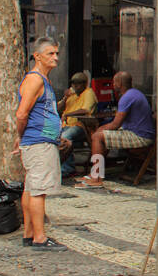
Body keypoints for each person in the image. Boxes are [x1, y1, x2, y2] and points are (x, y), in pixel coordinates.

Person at [13, 38, 66, 251]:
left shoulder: (43, 80)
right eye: (51, 53)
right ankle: (40, 238)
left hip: (38, 141)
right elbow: (22, 113)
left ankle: (29, 233)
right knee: (38, 191)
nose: (55, 57)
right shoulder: (35, 80)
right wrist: (21, 135)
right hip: (38, 142)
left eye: (56, 53)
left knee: (31, 188)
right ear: (37, 56)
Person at [81, 71, 153, 186]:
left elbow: (115, 124)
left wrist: (100, 129)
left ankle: (96, 177)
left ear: (119, 83)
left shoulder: (127, 97)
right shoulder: (134, 93)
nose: (113, 84)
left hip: (140, 136)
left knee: (97, 137)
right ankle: (95, 173)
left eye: (114, 82)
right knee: (102, 136)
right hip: (138, 132)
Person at [58, 72, 97, 178]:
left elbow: (85, 110)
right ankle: (58, 166)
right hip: (65, 125)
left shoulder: (89, 92)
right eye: (73, 83)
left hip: (81, 126)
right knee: (53, 137)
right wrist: (65, 98)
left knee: (65, 138)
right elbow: (58, 109)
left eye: (78, 83)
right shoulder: (72, 95)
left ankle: (67, 169)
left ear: (85, 84)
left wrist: (68, 114)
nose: (75, 86)